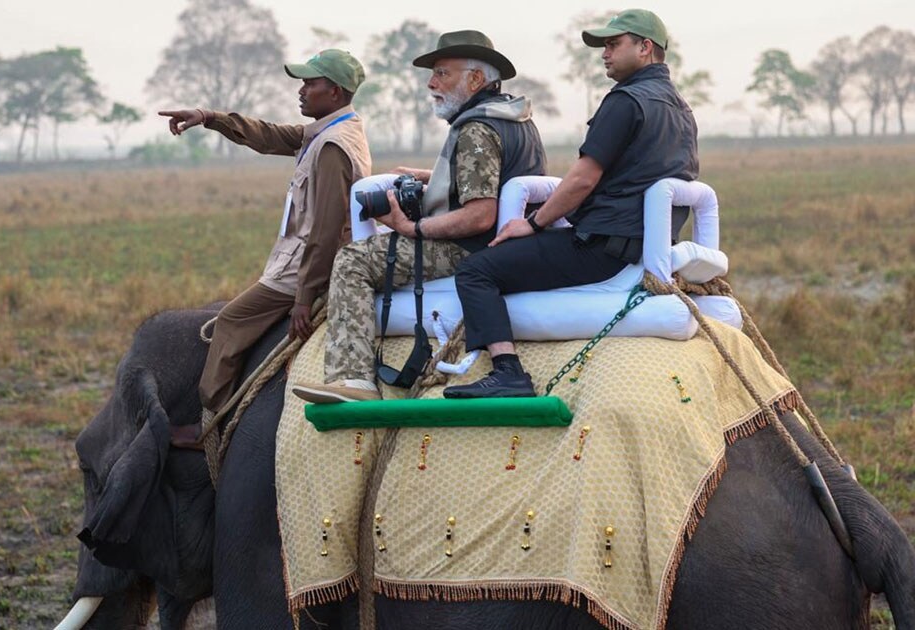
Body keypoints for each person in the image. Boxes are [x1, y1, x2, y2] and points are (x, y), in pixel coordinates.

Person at [439, 8, 699, 399]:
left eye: (613, 44)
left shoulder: (626, 101)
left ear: (645, 48)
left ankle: (507, 372)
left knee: (478, 271)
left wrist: (535, 223)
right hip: (641, 243)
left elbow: (582, 178)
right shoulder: (680, 107)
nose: (604, 53)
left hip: (602, 246)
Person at [291, 30, 547, 404]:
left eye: (442, 73)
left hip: (471, 247)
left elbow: (479, 215)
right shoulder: (515, 116)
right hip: (506, 244)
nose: (431, 83)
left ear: (476, 79)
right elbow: (490, 181)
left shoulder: (476, 129)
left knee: (352, 260)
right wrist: (439, 179)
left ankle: (353, 380)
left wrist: (412, 227)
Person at [159, 50, 372, 426]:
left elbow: (325, 231)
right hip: (297, 262)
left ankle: (215, 423)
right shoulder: (327, 132)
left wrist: (304, 298)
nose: (302, 90)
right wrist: (209, 118)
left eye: (311, 83)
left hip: (300, 272)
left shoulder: (333, 146)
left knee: (230, 321)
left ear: (336, 92)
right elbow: (268, 136)